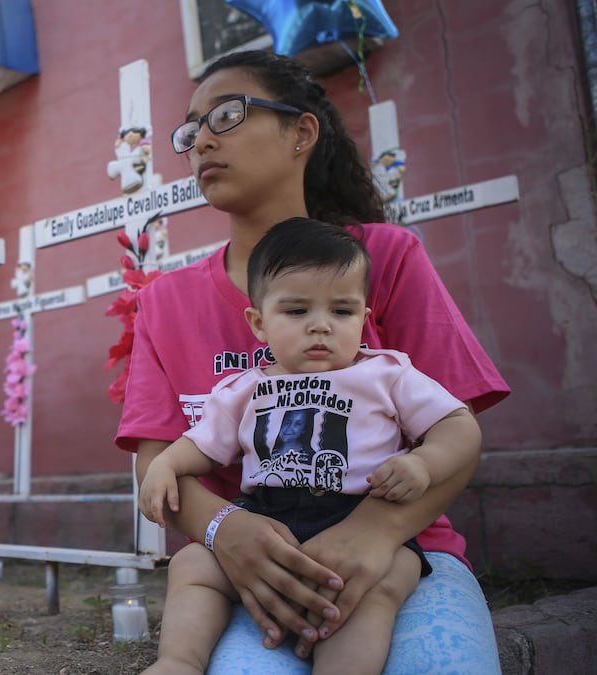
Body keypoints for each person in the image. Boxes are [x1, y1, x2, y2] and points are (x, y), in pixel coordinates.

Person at [115, 49, 509, 672]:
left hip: (402, 555)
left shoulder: (387, 259)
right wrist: (226, 533)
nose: (201, 143)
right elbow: (158, 470)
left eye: (228, 115)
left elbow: (457, 434)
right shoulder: (164, 301)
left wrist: (375, 534)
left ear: (301, 131)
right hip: (251, 574)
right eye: (192, 129)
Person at [138, 217, 482, 673]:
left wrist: (423, 462)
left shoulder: (387, 374)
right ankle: (179, 661)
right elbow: (202, 444)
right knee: (191, 566)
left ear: (364, 319)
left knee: (386, 578)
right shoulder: (244, 389)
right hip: (267, 520)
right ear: (259, 324)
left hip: (360, 513)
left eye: (341, 312)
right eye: (297, 312)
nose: (320, 326)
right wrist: (164, 465)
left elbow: (459, 426)